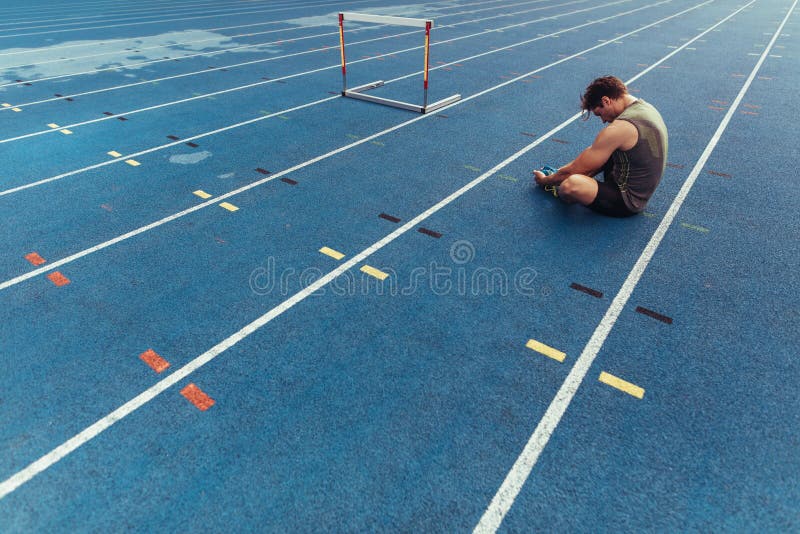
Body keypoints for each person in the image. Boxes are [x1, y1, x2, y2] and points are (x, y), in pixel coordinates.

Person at [533, 76, 668, 217]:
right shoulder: (646, 108)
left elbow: (579, 168)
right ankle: (560, 176)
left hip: (628, 200)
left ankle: (556, 186)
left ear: (606, 101)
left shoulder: (621, 128)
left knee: (570, 185)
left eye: (599, 114)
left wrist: (545, 181)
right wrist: (562, 172)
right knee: (598, 152)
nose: (603, 120)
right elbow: (587, 161)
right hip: (640, 186)